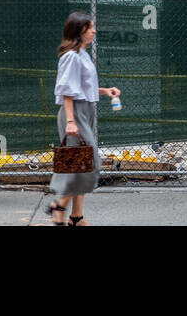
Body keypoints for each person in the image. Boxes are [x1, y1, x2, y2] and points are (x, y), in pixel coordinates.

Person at [47, 12, 120, 226]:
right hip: (75, 113)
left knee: (81, 163)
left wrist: (106, 91)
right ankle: (58, 205)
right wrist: (71, 121)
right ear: (80, 31)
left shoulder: (82, 54)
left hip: (85, 110)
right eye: (90, 28)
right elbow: (67, 92)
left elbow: (81, 88)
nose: (94, 31)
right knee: (89, 164)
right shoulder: (71, 56)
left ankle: (76, 217)